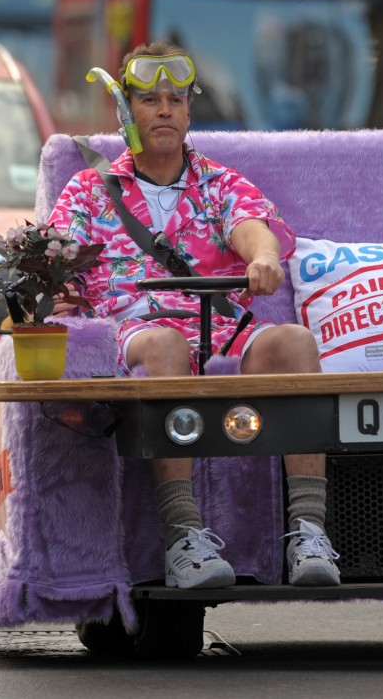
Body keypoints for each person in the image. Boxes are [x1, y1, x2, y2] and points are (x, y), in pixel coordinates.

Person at [48, 39, 340, 590]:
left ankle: (308, 532)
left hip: (222, 328)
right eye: (150, 100)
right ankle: (185, 538)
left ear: (188, 112)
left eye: (176, 100)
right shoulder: (89, 190)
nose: (164, 110)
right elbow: (56, 259)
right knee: (165, 346)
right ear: (125, 111)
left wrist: (264, 257)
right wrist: (59, 291)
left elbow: (252, 226)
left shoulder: (218, 183)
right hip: (135, 329)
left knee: (296, 342)